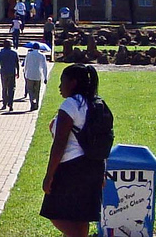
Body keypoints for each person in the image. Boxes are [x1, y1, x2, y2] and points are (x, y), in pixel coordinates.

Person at [41, 64, 107, 237]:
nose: (59, 86)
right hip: (94, 166)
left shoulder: (71, 104)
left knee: (54, 213)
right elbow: (102, 139)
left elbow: (59, 144)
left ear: (73, 83)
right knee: (80, 218)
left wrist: (49, 175)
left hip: (71, 168)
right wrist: (102, 171)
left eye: (62, 81)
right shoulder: (97, 103)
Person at [0, 39, 20, 111]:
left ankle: (4, 103)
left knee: (4, 88)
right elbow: (17, 63)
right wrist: (18, 72)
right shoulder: (14, 53)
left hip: (4, 72)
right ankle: (11, 104)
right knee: (11, 88)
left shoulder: (1, 53)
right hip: (12, 72)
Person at [22, 43, 49, 111]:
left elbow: (26, 64)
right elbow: (44, 67)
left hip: (30, 74)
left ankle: (32, 102)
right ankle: (37, 104)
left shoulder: (29, 55)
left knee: (30, 90)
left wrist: (25, 73)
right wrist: (45, 77)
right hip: (38, 75)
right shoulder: (42, 55)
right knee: (37, 91)